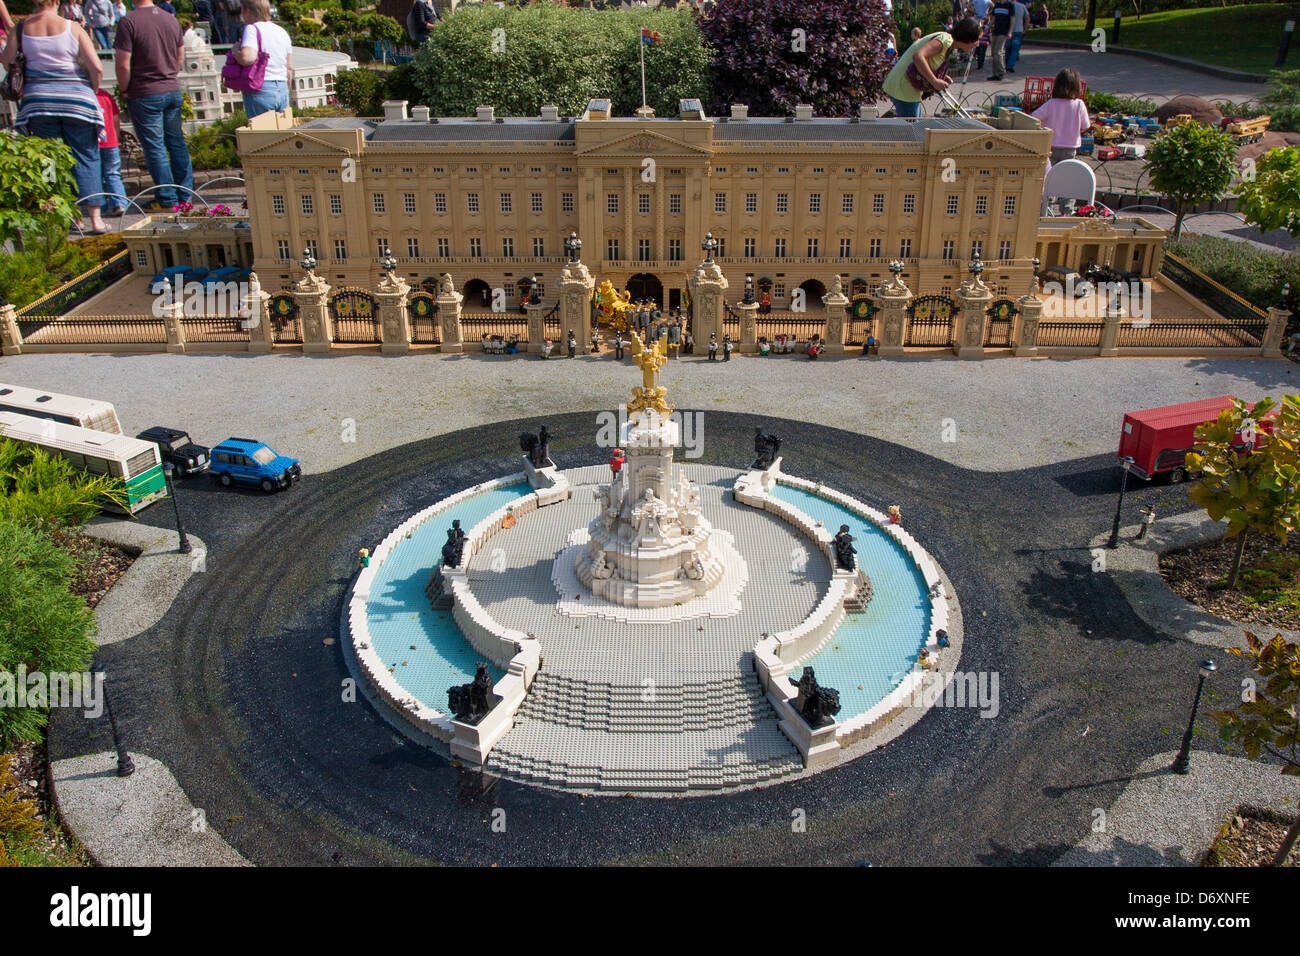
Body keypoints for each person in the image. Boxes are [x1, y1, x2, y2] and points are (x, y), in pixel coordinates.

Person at [1, 0, 107, 234]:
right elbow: (96, 67)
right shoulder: (73, 27)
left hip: (39, 103)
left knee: (51, 160)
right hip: (77, 101)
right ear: (56, 2)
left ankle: (69, 215)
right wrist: (92, 89)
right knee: (86, 157)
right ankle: (96, 218)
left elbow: (7, 60)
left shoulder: (20, 28)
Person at [116, 0, 193, 211]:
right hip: (171, 88)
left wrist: (124, 90)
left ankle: (167, 199)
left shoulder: (128, 22)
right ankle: (186, 196)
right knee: (177, 143)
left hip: (145, 91)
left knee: (155, 147)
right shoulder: (171, 19)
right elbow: (180, 57)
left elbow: (123, 64)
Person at [882, 18, 981, 118]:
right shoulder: (945, 40)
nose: (978, 44)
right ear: (968, 37)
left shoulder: (948, 42)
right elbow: (918, 56)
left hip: (906, 88)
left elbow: (928, 62)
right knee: (911, 129)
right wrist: (934, 81)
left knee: (915, 126)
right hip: (904, 87)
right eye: (977, 39)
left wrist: (941, 76)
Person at [231, 0, 293, 118]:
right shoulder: (281, 31)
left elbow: (247, 57)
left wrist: (235, 52)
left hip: (261, 89)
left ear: (247, 11)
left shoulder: (252, 29)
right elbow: (289, 67)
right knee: (281, 134)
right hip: (282, 88)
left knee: (262, 134)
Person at [1032, 68, 1090, 163]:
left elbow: (1034, 118)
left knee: (1050, 173)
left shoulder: (1051, 103)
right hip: (1070, 147)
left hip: (1050, 145)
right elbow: (1086, 126)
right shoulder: (1079, 104)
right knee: (1065, 173)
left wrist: (1042, 127)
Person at [96, 87, 126, 216]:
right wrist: (117, 136)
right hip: (110, 141)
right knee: (113, 173)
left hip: (92, 143)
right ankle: (119, 203)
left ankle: (100, 206)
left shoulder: (82, 94)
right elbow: (115, 118)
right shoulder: (105, 95)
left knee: (95, 175)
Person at [988, 1, 1012, 80]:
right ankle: (995, 73)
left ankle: (1001, 72)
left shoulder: (1009, 5)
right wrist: (988, 27)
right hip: (996, 31)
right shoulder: (997, 5)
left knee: (998, 52)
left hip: (1004, 32)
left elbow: (1013, 19)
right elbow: (994, 18)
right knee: (993, 53)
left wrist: (1010, 32)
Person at [1006, 0, 1029, 73]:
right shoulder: (1022, 6)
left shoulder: (1007, 6)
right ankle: (1010, 65)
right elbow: (1027, 18)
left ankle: (1007, 63)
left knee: (1008, 48)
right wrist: (1025, 29)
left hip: (1008, 30)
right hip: (1018, 30)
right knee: (1015, 49)